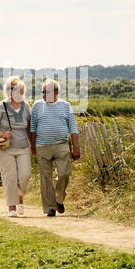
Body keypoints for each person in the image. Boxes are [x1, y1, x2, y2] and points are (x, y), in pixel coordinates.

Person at [29, 78, 80, 217]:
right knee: (45, 178)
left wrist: (76, 148)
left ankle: (58, 200)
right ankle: (50, 208)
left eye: (47, 92)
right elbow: (32, 128)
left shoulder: (65, 105)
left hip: (61, 145)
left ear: (56, 92)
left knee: (64, 174)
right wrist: (32, 147)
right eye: (43, 92)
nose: (44, 94)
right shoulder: (37, 106)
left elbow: (73, 128)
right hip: (42, 146)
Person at [0, 76, 32, 219]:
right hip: (5, 148)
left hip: (23, 147)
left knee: (25, 176)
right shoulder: (1, 106)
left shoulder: (26, 106)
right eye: (8, 89)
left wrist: (33, 146)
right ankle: (12, 207)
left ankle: (20, 195)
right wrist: (2, 133)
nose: (10, 91)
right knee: (10, 178)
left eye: (13, 89)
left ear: (20, 90)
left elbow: (29, 127)